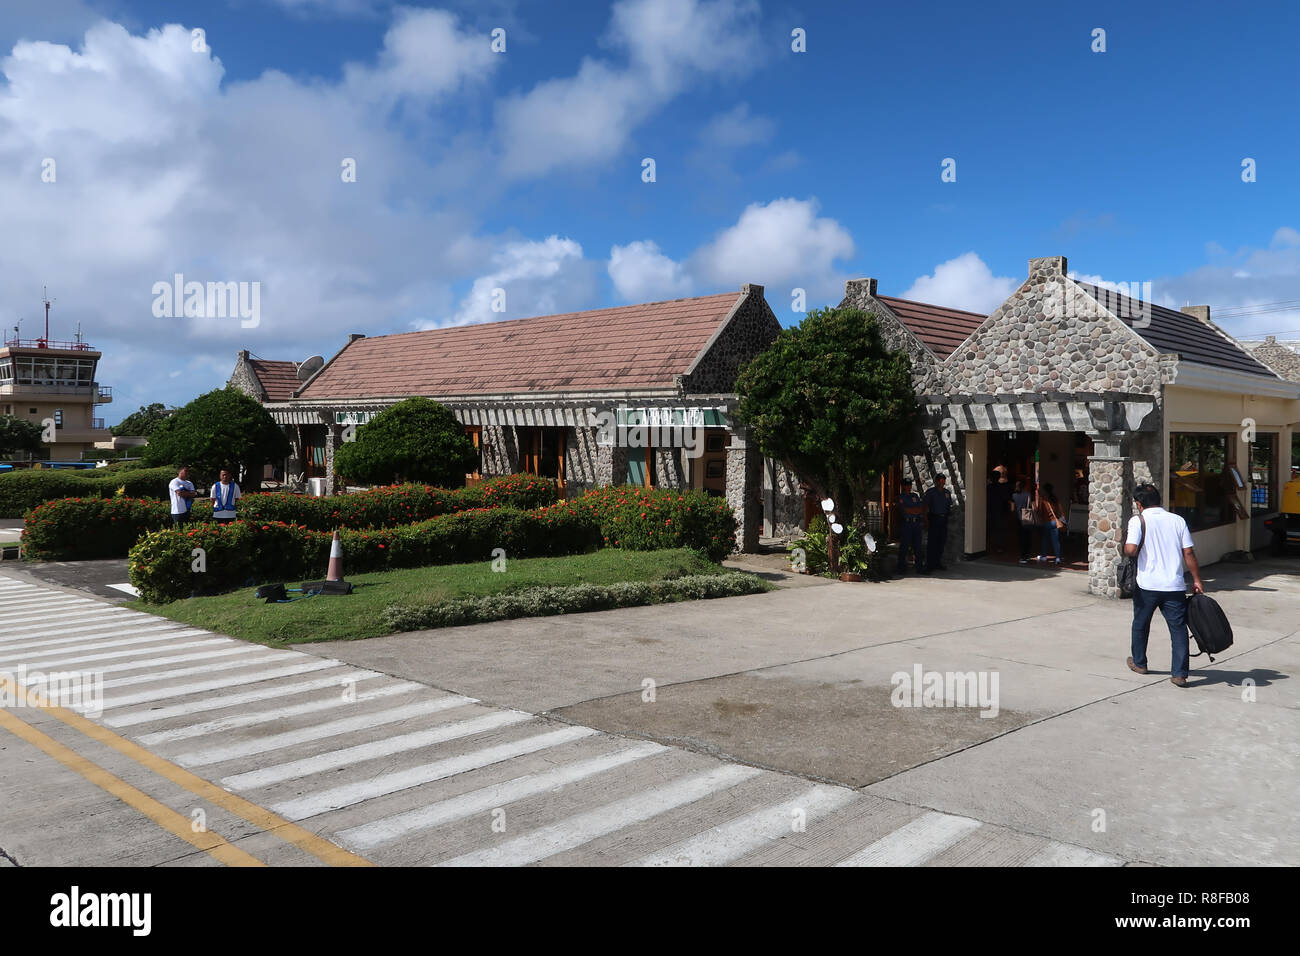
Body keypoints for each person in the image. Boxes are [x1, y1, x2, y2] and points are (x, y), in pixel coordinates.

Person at [1122, 483, 1204, 687]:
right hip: (1174, 585)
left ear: (1139, 504)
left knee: (1141, 624)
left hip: (1146, 584)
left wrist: (1126, 545)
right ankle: (1180, 674)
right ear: (1159, 500)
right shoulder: (1178, 520)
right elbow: (1188, 553)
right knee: (1178, 629)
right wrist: (1196, 579)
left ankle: (1139, 663)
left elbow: (1131, 549)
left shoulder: (1138, 521)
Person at [896, 477, 925, 574]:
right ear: (903, 486)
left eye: (910, 485)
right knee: (904, 546)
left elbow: (920, 509)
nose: (908, 487)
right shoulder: (901, 497)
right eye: (906, 485)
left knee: (918, 546)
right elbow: (905, 510)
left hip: (916, 523)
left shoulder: (915, 496)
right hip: (907, 524)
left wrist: (913, 510)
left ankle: (919, 567)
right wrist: (914, 510)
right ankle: (901, 567)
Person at [923, 473, 951, 572]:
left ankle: (937, 562)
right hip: (934, 519)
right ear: (936, 481)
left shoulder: (947, 492)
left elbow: (948, 506)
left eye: (944, 480)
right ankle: (929, 564)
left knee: (941, 542)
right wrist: (926, 520)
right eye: (940, 480)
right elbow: (925, 507)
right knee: (932, 543)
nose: (942, 482)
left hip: (943, 520)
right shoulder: (931, 492)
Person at [1036, 481, 1065, 565]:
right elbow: (1060, 510)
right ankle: (1058, 558)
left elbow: (1040, 511)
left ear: (1045, 490)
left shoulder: (1043, 498)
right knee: (1055, 540)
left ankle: (1044, 556)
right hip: (1054, 522)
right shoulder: (1055, 498)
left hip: (1046, 522)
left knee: (1044, 539)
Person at [986, 468, 1012, 554]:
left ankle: (988, 546)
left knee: (990, 529)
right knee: (999, 530)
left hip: (990, 511)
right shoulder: (1002, 487)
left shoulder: (988, 487)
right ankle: (999, 546)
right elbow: (1006, 499)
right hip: (999, 511)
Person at [1012, 479, 1035, 564]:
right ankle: (1026, 556)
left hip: (1018, 519)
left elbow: (1012, 509)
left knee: (1021, 538)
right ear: (1025, 486)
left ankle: (1022, 557)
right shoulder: (1028, 495)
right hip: (1027, 518)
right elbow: (1031, 506)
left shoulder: (1014, 495)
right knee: (1028, 538)